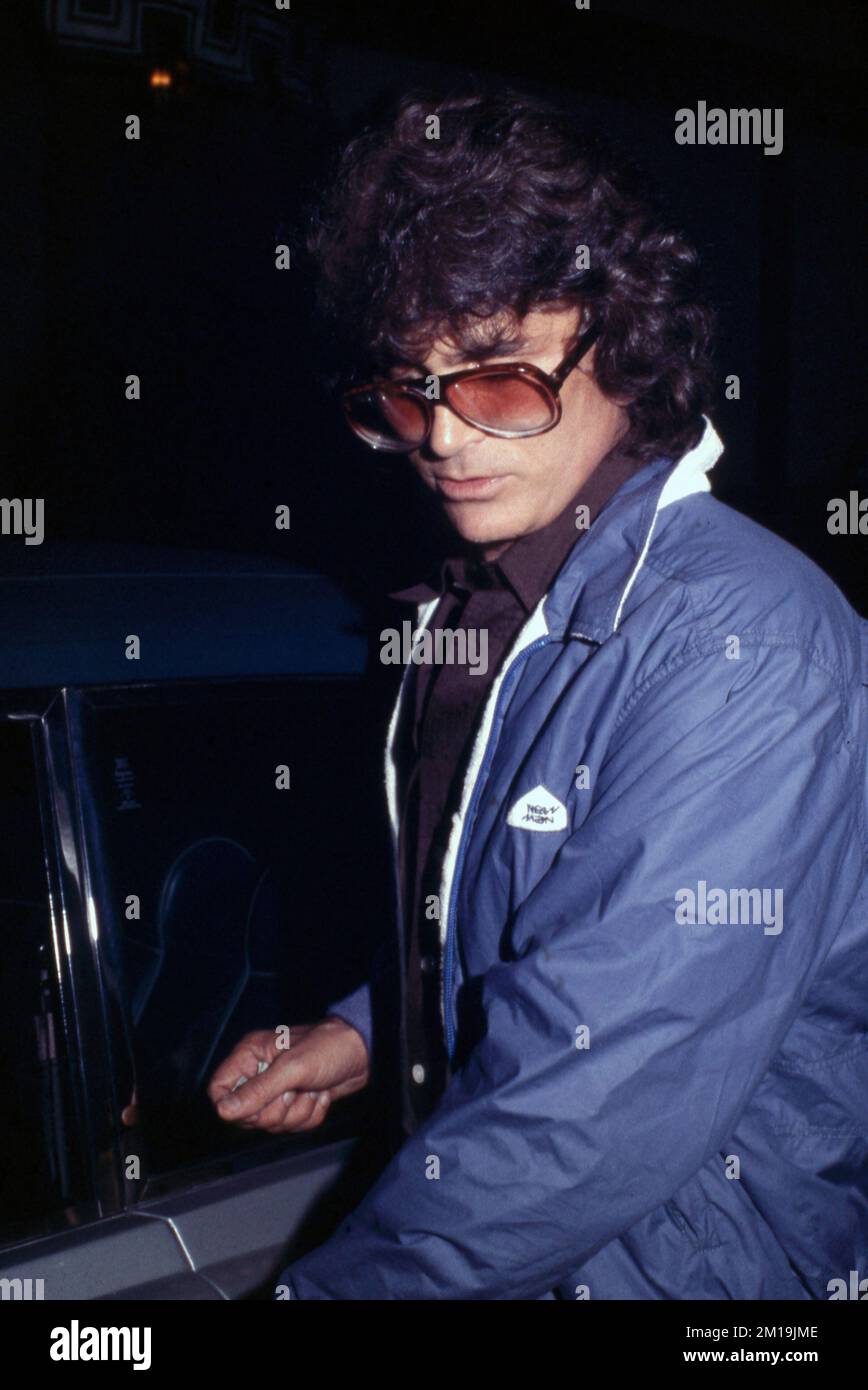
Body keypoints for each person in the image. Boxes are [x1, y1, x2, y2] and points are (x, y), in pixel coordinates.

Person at [207, 88, 867, 1300]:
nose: (445, 439)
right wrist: (368, 1026)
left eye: (499, 382)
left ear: (623, 347)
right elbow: (536, 919)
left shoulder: (747, 649)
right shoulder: (481, 603)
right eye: (407, 392)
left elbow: (594, 1101)